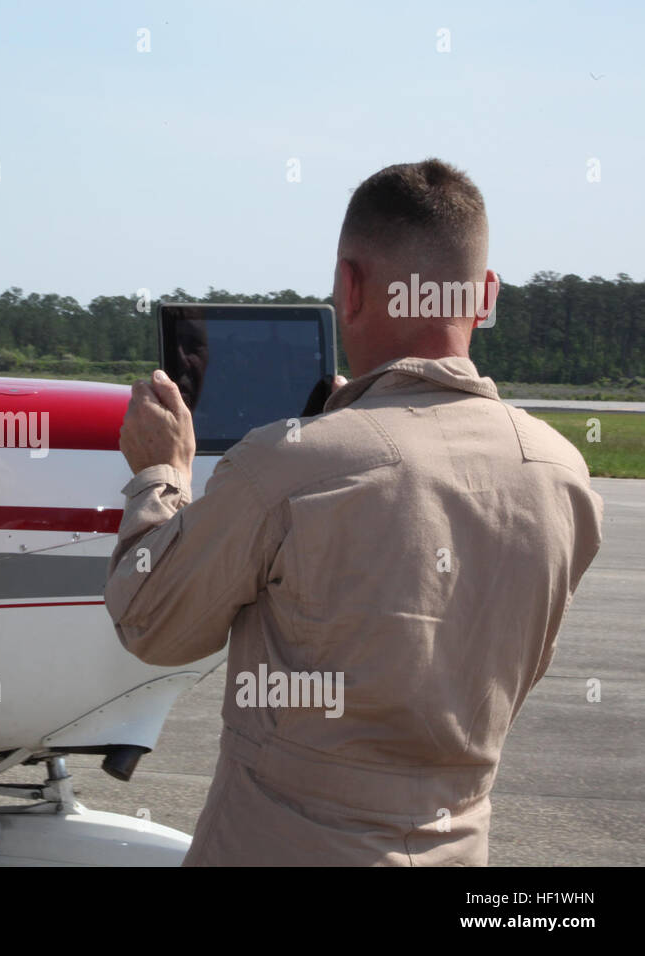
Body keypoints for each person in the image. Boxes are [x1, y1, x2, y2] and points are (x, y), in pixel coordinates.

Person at [104, 159, 603, 866]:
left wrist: (161, 473)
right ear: (486, 295)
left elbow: (148, 620)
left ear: (350, 286)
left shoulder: (285, 465)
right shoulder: (562, 474)